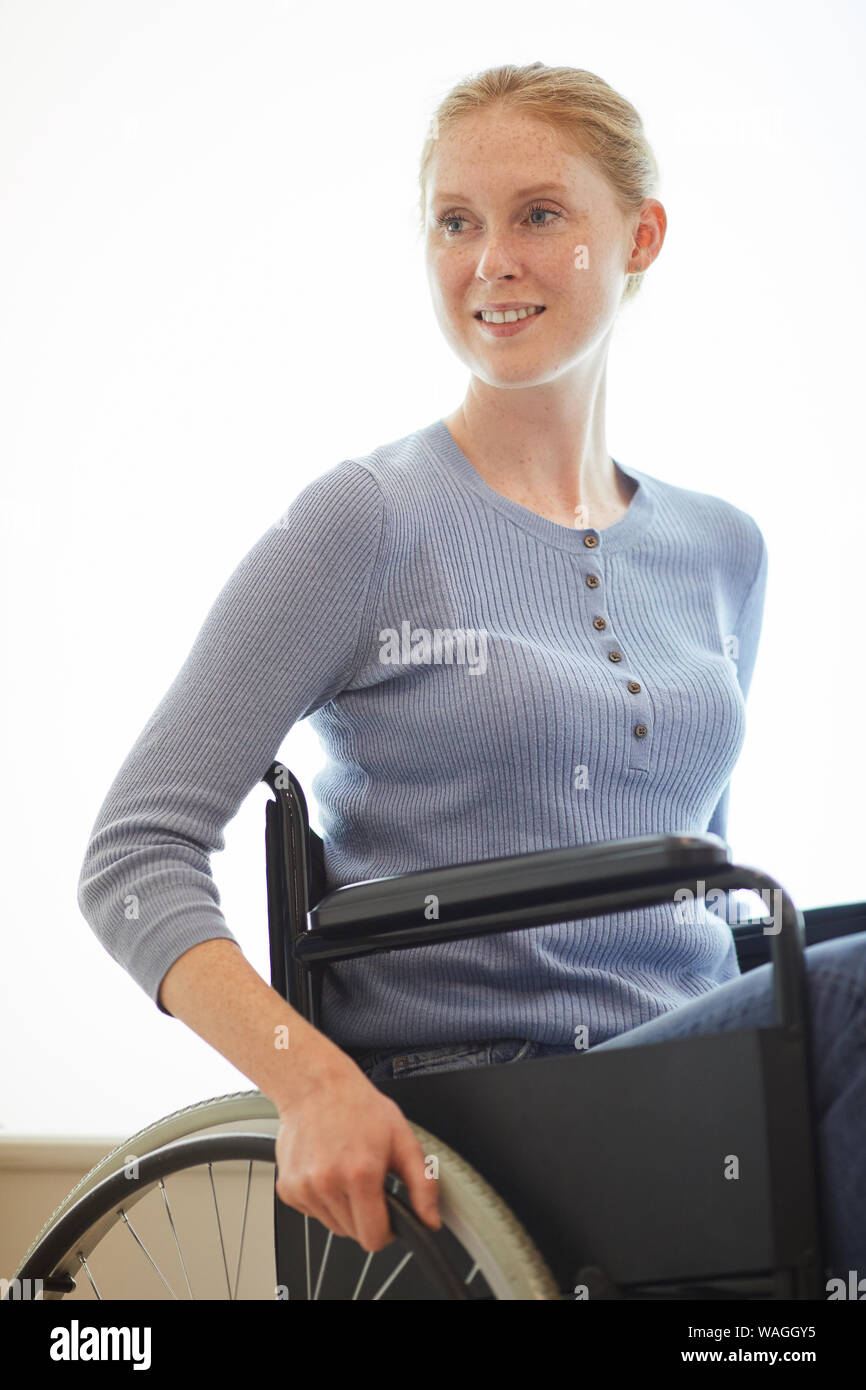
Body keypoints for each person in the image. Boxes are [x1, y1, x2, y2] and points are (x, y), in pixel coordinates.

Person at [78, 61, 864, 1280]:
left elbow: (694, 878)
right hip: (498, 1114)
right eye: (456, 221)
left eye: (538, 215)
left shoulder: (722, 549)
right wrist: (314, 1083)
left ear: (638, 234)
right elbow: (132, 857)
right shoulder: (366, 521)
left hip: (696, 1086)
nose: (489, 259)